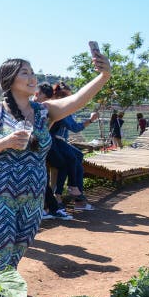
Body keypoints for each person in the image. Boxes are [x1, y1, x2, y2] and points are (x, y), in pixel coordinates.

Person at [0, 52, 111, 272]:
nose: (32, 77)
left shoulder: (45, 112)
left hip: (32, 200)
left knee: (14, 257)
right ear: (9, 80)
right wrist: (5, 142)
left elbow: (78, 100)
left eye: (33, 72)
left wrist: (103, 76)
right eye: (25, 73)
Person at [49, 82, 98, 211]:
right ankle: (70, 192)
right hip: (55, 141)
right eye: (69, 98)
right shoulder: (61, 109)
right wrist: (90, 120)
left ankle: (75, 196)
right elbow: (75, 127)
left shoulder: (60, 107)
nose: (72, 101)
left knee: (78, 158)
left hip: (59, 141)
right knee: (69, 161)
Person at [33, 83, 73, 221]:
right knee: (44, 177)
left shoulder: (46, 108)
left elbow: (46, 130)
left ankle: (51, 207)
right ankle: (50, 206)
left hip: (41, 149)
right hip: (32, 152)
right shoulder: (28, 107)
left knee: (45, 177)